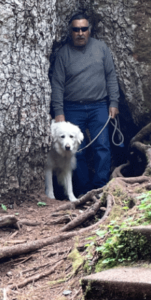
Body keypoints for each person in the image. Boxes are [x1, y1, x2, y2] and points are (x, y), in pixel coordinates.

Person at [50, 12, 120, 196]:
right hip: (73, 107)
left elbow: (111, 77)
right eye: (76, 29)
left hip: (99, 106)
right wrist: (59, 112)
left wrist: (114, 102)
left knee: (102, 147)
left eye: (83, 29)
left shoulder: (101, 48)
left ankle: (101, 187)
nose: (80, 33)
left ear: (89, 30)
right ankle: (83, 190)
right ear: (70, 31)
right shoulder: (63, 53)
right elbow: (57, 85)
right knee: (76, 150)